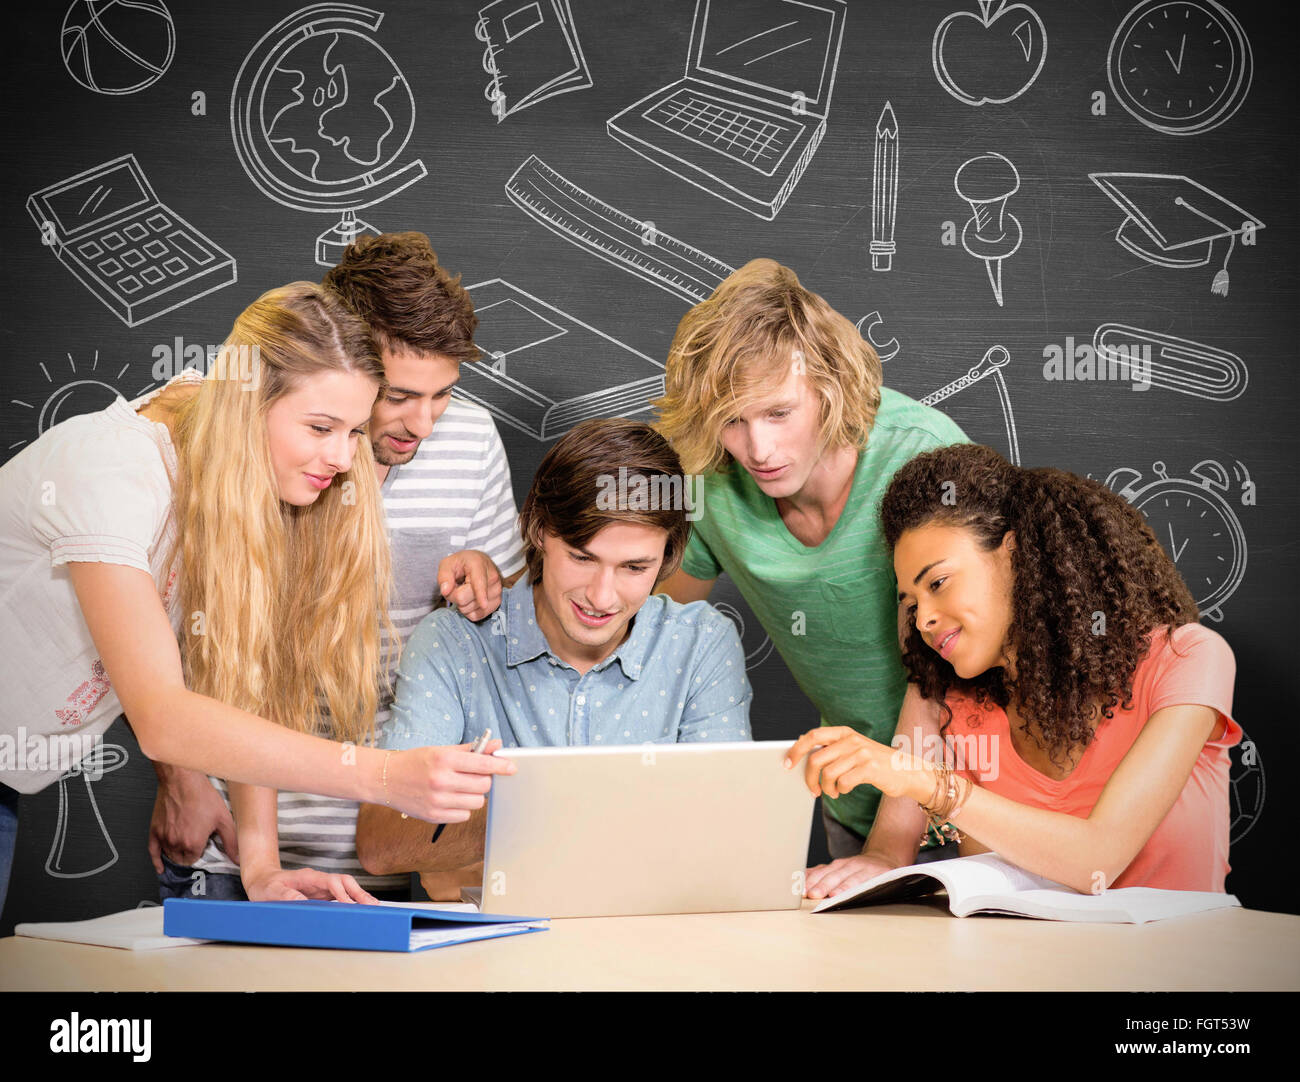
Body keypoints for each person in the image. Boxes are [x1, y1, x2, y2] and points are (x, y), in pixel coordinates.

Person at [0, 281, 511, 912]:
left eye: (353, 430)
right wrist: (385, 776)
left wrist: (262, 866)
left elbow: (244, 678)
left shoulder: (245, 470)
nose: (343, 458)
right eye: (322, 427)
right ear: (249, 403)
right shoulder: (113, 471)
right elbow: (162, 718)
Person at [155, 233, 527, 902]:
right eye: (401, 395)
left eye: (442, 395)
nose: (424, 424)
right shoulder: (255, 450)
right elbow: (206, 652)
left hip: (400, 842)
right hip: (240, 839)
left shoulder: (470, 442)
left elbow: (502, 655)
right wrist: (182, 779)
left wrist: (489, 586)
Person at [786, 443, 1241, 897]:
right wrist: (865, 869)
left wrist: (931, 785)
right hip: (1021, 962)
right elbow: (889, 853)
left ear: (1015, 553)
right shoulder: (940, 696)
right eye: (910, 601)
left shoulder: (1188, 659)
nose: (922, 618)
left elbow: (1097, 860)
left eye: (938, 583)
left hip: (1177, 962)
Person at [355, 419, 752, 898]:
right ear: (539, 530)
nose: (602, 597)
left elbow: (725, 840)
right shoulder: (455, 642)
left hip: (653, 949)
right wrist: (623, 819)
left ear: (667, 559)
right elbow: (384, 845)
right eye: (583, 558)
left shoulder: (702, 645)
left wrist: (484, 836)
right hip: (497, 956)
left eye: (634, 567)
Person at [654, 258, 967, 859]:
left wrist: (889, 850)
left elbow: (938, 678)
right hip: (852, 804)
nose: (758, 449)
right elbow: (660, 640)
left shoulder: (925, 460)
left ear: (830, 387)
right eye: (732, 421)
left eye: (778, 412)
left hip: (980, 804)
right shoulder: (712, 482)